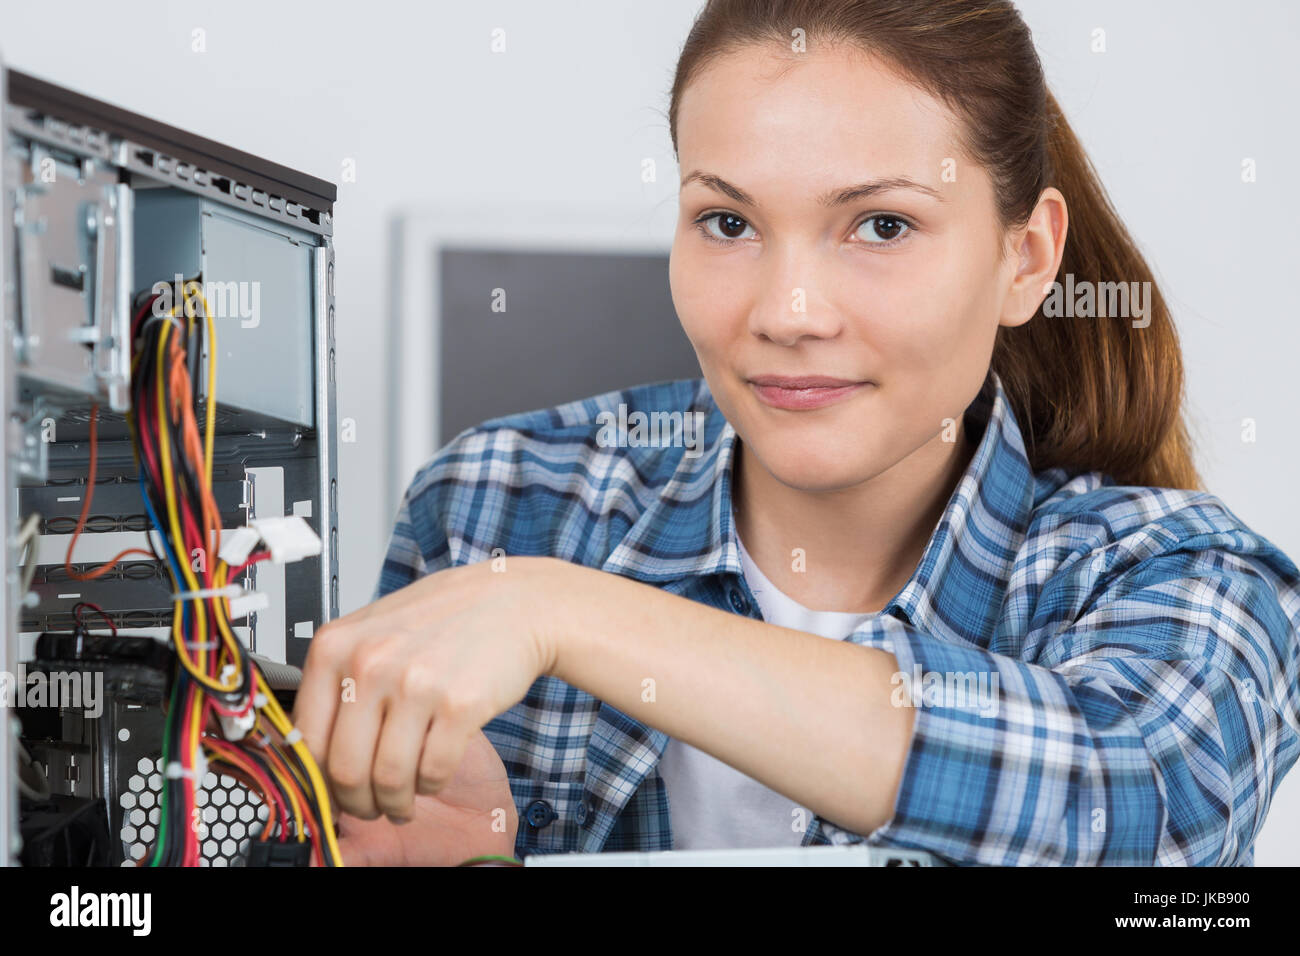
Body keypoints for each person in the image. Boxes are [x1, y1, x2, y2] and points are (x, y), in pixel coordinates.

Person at [292, 0, 1300, 866]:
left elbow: (1132, 807)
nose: (789, 311)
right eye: (727, 223)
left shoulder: (1179, 578)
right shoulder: (496, 499)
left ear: (1026, 257)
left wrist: (563, 611)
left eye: (881, 226)